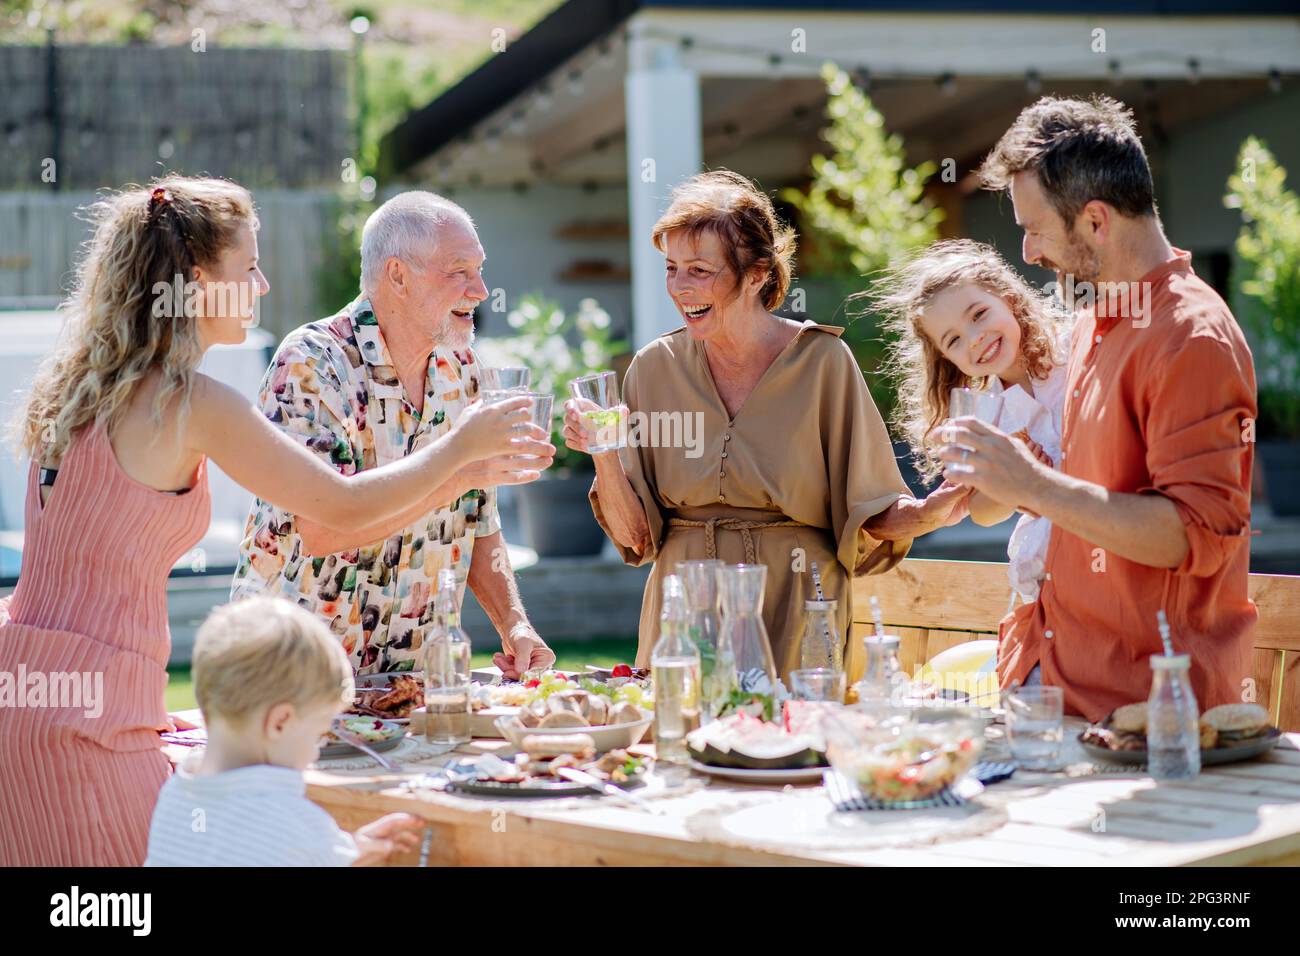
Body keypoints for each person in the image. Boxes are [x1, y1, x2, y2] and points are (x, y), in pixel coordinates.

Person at [0, 176, 543, 866]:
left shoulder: (77, 387)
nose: (261, 286)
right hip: (98, 726)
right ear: (198, 282)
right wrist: (461, 453)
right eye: (248, 267)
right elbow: (336, 509)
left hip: (26, 698)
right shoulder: (194, 403)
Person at [563, 170, 968, 680]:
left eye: (699, 270)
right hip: (684, 606)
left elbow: (867, 517)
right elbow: (638, 539)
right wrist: (604, 452)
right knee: (675, 750)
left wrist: (929, 514)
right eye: (671, 268)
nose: (680, 287)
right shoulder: (653, 367)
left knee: (789, 750)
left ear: (756, 275)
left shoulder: (823, 362)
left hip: (797, 602)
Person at [938, 96, 1258, 718]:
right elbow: (1084, 490)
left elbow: (1197, 535)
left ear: (1095, 221)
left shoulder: (1190, 336)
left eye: (1034, 229)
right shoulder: (1089, 324)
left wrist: (1034, 482)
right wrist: (1008, 478)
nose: (1027, 253)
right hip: (1050, 683)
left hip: (1145, 715)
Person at [231, 192, 556, 679]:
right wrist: (459, 467)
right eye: (459, 272)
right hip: (289, 676)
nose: (482, 291)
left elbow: (478, 520)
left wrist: (515, 625)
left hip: (408, 685)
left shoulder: (463, 370)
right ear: (398, 276)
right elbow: (320, 528)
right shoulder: (313, 363)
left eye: (480, 270)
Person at [145, 598, 425, 866]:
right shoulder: (294, 823)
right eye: (317, 733)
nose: (315, 750)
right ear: (280, 723)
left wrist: (347, 849)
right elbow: (291, 845)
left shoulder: (176, 795)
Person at [875, 238, 1068, 603]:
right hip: (1046, 582)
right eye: (954, 340)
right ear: (949, 359)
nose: (976, 339)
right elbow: (982, 512)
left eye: (979, 314)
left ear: (1008, 298)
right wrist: (1010, 481)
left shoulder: (1073, 357)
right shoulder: (985, 414)